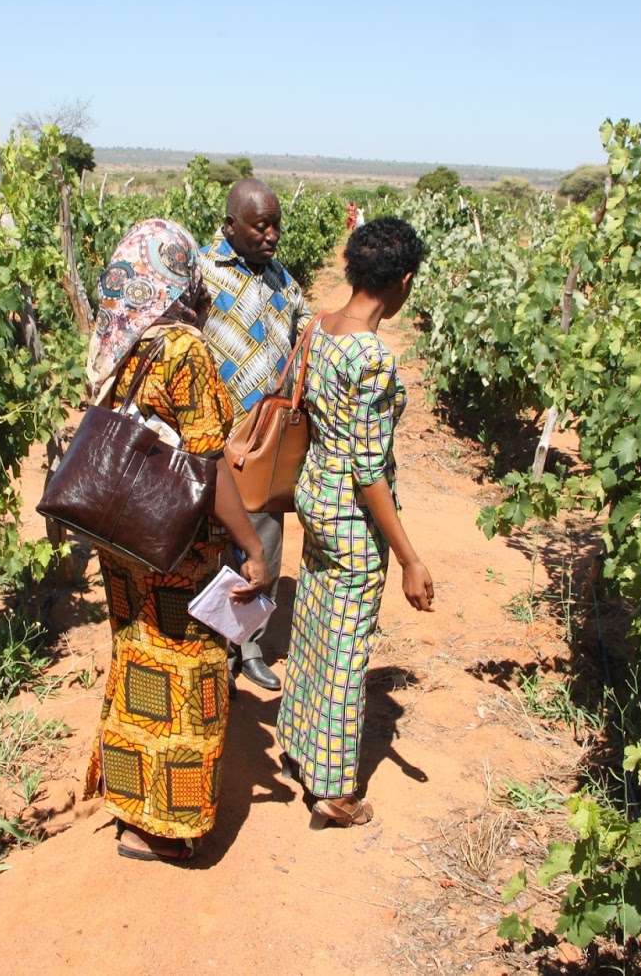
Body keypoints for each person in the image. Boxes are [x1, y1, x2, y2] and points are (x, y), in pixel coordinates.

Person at [82, 218, 270, 862]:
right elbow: (209, 465)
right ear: (179, 273)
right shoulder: (183, 349)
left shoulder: (117, 338)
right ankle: (165, 822)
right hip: (175, 545)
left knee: (137, 657)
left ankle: (129, 807)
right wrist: (255, 546)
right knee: (189, 673)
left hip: (123, 534)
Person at [275, 217, 435, 829]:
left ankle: (299, 743)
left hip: (315, 498)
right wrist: (409, 557)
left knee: (315, 624)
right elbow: (370, 471)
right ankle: (334, 790)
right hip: (349, 514)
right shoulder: (370, 357)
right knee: (346, 648)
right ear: (403, 282)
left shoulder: (317, 328)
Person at [197, 178, 312, 691]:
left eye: (276, 226)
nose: (271, 236)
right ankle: (213, 649)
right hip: (212, 438)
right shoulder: (201, 272)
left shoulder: (283, 280)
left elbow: (306, 330)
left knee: (264, 542)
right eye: (260, 225)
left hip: (264, 443)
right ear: (231, 226)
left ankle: (249, 647)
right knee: (213, 542)